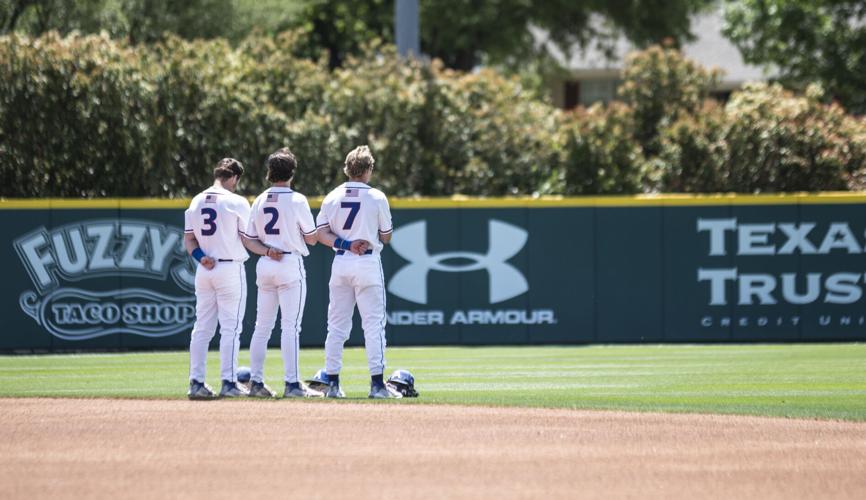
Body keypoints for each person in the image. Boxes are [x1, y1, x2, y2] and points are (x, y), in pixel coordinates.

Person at [316, 145, 401, 399]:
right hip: (366, 262)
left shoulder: (332, 196)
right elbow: (386, 237)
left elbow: (321, 233)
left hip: (341, 261)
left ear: (347, 168)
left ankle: (332, 383)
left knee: (336, 326)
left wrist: (345, 243)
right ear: (369, 169)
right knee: (373, 325)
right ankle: (376, 385)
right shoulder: (377, 196)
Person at [242, 148, 323, 398]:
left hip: (266, 263)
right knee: (290, 327)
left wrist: (267, 252)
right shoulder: (297, 199)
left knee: (262, 326)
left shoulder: (260, 199)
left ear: (270, 171)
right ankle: (292, 384)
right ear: (291, 172)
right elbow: (312, 239)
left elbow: (249, 240)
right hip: (289, 263)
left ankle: (256, 382)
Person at [183, 158, 251, 399]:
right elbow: (248, 238)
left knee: (202, 329)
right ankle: (229, 382)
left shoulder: (197, 200)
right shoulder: (236, 201)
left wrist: (202, 257)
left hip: (205, 269)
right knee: (231, 329)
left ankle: (196, 382)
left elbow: (189, 241)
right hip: (230, 268)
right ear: (233, 177)